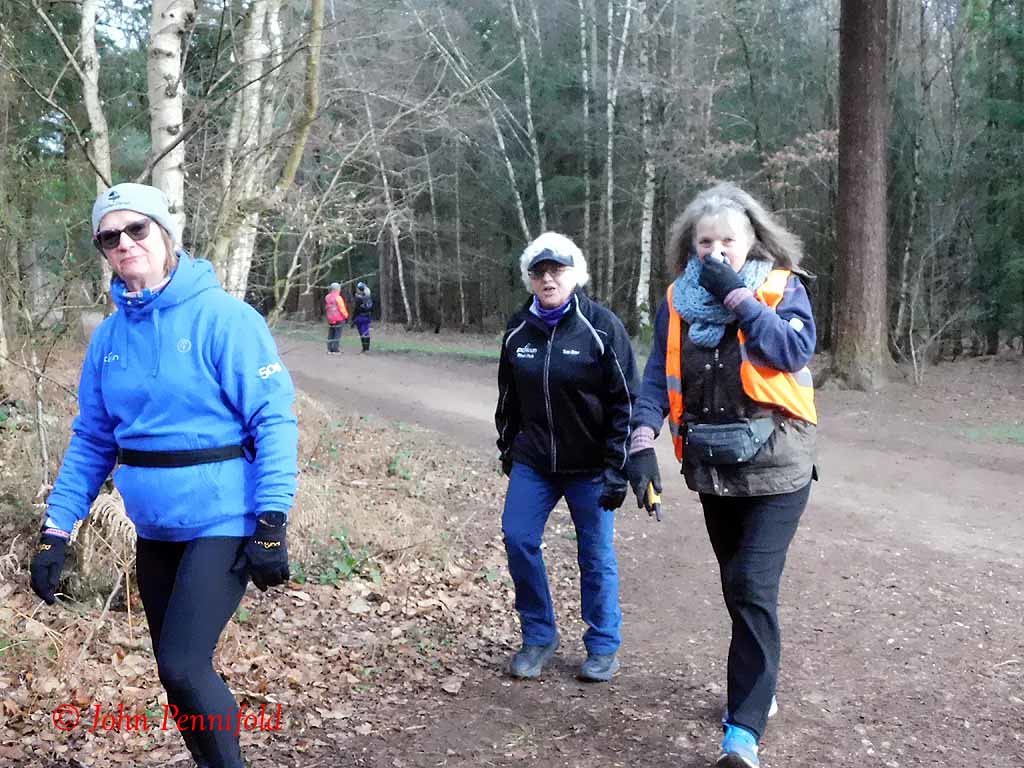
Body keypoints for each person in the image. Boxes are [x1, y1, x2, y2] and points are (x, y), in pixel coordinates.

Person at [29, 183, 298, 768]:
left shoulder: (225, 318)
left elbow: (273, 419)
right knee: (173, 673)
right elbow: (94, 440)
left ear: (165, 232)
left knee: (183, 663)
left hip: (224, 519)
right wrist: (57, 529)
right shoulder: (108, 340)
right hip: (155, 530)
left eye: (137, 229)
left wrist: (272, 520)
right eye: (110, 236)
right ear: (103, 251)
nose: (125, 244)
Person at [626, 183, 817, 768]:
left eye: (727, 242)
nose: (715, 252)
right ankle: (761, 685)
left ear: (752, 241)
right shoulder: (675, 300)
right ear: (691, 244)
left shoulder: (781, 288)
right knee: (737, 587)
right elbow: (659, 374)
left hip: (780, 467)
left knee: (753, 587)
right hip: (710, 466)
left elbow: (790, 351)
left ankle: (742, 735)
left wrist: (737, 296)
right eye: (704, 241)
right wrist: (640, 439)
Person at [495, 231, 638, 682]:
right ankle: (539, 635)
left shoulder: (601, 327)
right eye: (539, 271)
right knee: (518, 538)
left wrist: (618, 467)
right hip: (535, 462)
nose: (548, 278)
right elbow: (507, 398)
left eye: (557, 270)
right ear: (530, 280)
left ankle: (602, 645)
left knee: (594, 554)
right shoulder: (519, 331)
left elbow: (626, 401)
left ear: (574, 274)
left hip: (591, 467)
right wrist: (508, 447)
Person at [325, 281, 349, 354]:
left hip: (330, 318)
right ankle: (335, 349)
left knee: (331, 333)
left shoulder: (327, 297)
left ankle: (329, 349)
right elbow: (342, 308)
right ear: (337, 289)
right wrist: (346, 316)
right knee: (337, 334)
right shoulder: (338, 298)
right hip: (339, 319)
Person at [351, 281, 373, 352]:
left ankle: (365, 348)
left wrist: (353, 319)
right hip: (367, 317)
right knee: (366, 332)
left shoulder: (359, 299)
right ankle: (367, 348)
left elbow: (356, 310)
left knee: (362, 333)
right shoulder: (368, 298)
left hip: (360, 318)